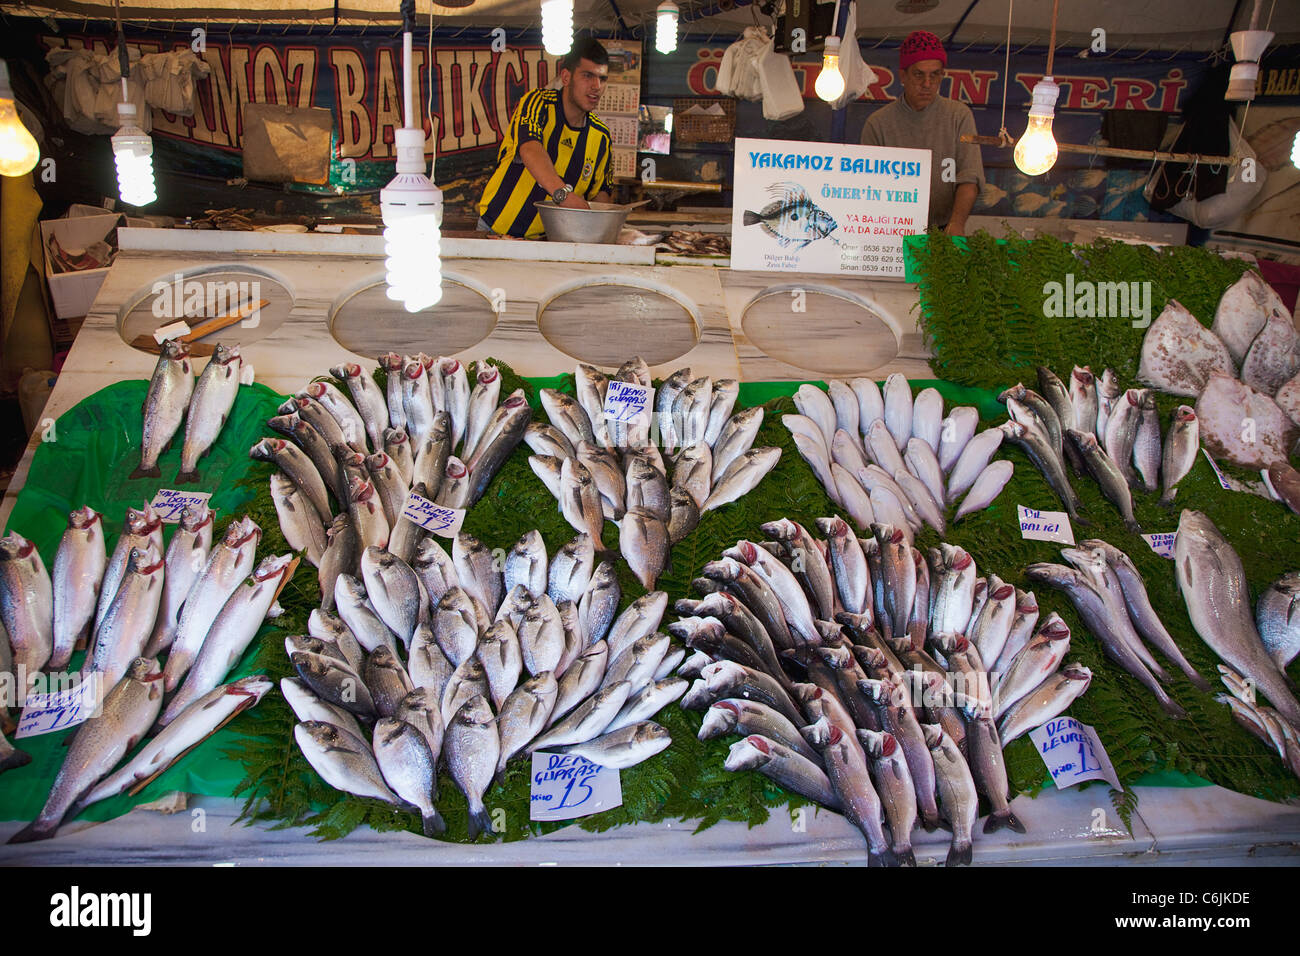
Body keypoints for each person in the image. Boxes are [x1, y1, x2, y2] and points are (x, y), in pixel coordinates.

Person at [478, 38, 615, 238]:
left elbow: (601, 193)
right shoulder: (538, 103)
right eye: (588, 76)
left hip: (550, 243)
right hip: (496, 232)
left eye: (602, 79)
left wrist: (602, 227)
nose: (596, 86)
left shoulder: (601, 136)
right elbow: (530, 149)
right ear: (566, 77)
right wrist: (563, 196)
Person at [859, 30, 984, 237]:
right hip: (891, 233)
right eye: (919, 74)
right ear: (903, 75)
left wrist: (957, 224)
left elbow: (970, 178)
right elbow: (867, 188)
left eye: (935, 74)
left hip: (945, 230)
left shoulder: (959, 116)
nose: (927, 84)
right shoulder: (878, 124)